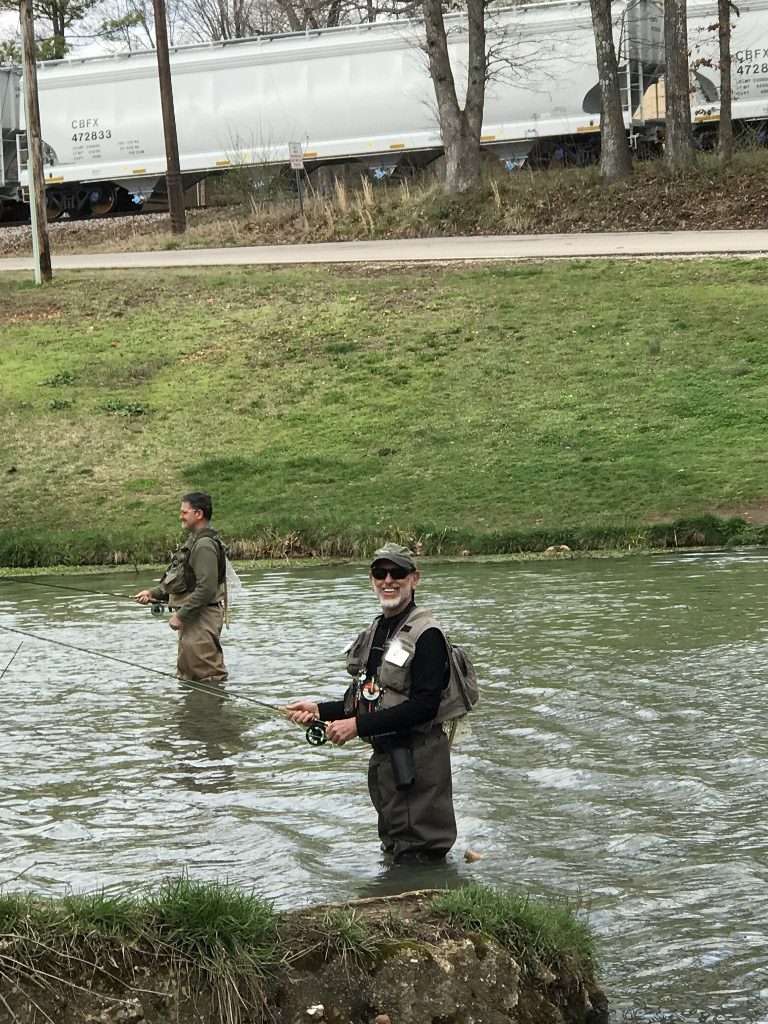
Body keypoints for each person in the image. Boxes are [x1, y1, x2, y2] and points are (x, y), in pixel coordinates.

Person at [286, 543, 465, 863]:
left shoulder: (428, 634)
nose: (388, 580)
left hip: (418, 759)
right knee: (394, 845)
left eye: (398, 573)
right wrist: (319, 710)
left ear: (415, 579)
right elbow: (370, 695)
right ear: (372, 580)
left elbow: (424, 707)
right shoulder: (378, 629)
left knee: (420, 852)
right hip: (386, 759)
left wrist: (357, 726)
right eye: (380, 573)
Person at [133, 492, 228, 682]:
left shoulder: (204, 545)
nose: (180, 516)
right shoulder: (195, 541)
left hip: (202, 619)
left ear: (199, 514)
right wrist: (153, 593)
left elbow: (206, 589)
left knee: (208, 677)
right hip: (194, 618)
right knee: (190, 674)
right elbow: (185, 583)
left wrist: (180, 615)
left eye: (184, 512)